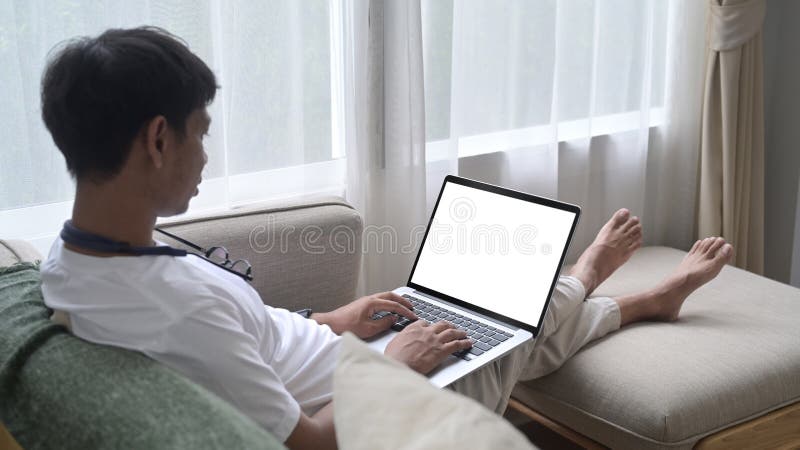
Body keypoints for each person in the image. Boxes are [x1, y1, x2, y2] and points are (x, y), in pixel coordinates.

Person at [38, 27, 733, 450]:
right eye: (201, 133)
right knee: (511, 328)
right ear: (159, 139)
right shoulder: (176, 312)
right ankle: (591, 277)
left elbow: (242, 342)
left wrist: (335, 321)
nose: (206, 157)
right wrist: (396, 365)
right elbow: (311, 444)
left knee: (490, 327)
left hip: (349, 355)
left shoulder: (68, 260)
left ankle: (637, 305)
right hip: (376, 402)